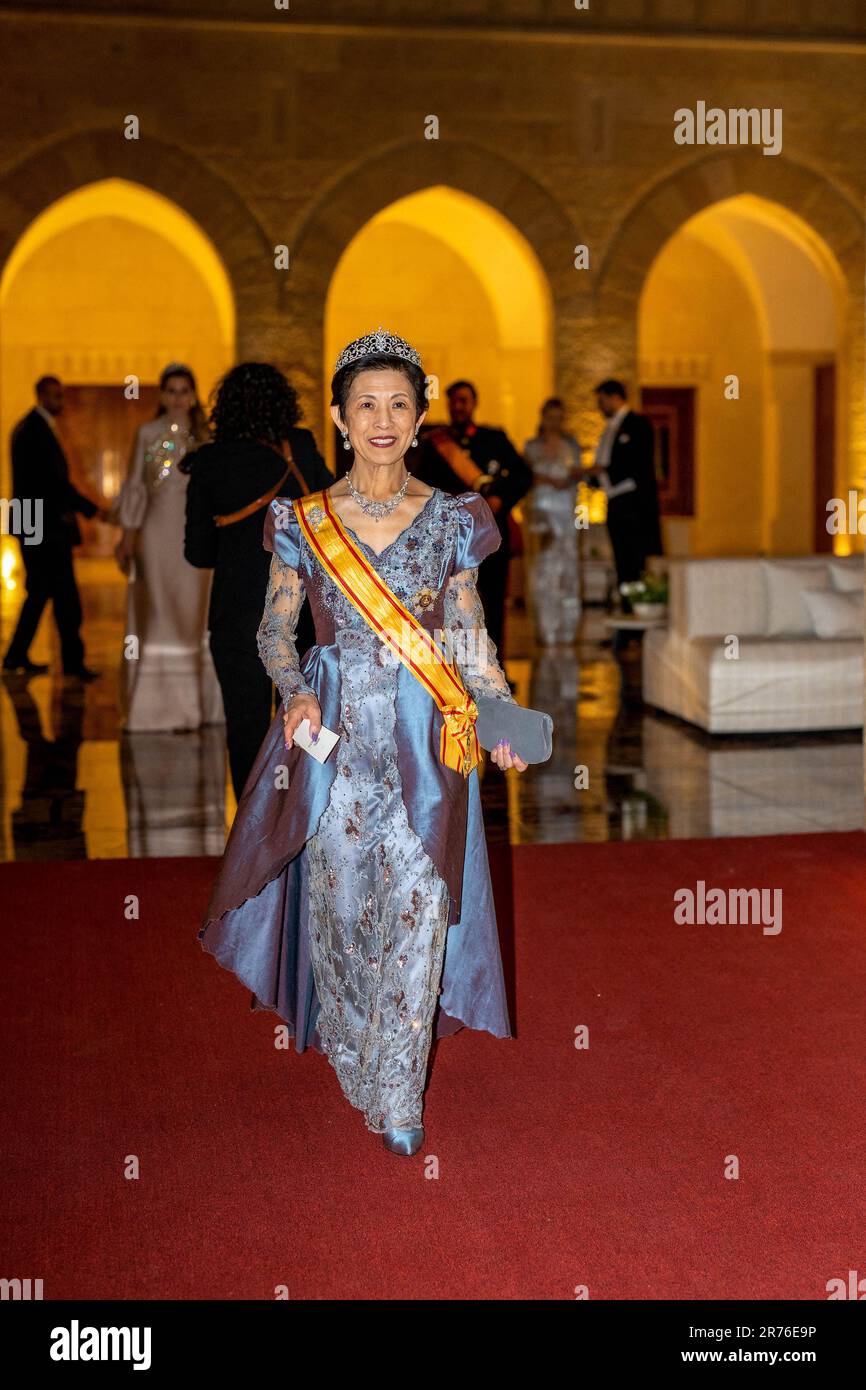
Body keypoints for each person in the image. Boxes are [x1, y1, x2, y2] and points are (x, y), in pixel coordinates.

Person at [198, 328, 528, 1157]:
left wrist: (502, 715)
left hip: (427, 742)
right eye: (366, 405)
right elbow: (272, 633)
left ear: (420, 420)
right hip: (335, 748)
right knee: (344, 917)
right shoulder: (304, 522)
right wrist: (297, 691)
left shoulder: (454, 519)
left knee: (419, 909)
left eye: (399, 405)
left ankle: (399, 1089)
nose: (383, 419)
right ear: (341, 421)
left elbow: (467, 634)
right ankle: (355, 1048)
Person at [184, 362, 332, 800]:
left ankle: (254, 835)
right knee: (306, 719)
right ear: (282, 402)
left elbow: (197, 552)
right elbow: (328, 516)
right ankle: (305, 822)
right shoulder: (300, 446)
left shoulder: (209, 461)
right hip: (301, 613)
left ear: (225, 407)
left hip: (238, 615)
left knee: (246, 727)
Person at [110, 363, 223, 732]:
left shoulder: (207, 437)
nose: (177, 398)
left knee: (194, 615)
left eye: (183, 391)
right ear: (162, 395)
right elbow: (136, 487)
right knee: (159, 612)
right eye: (170, 391)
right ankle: (158, 711)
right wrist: (126, 537)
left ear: (193, 395)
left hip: (197, 534)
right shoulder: (146, 433)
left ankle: (201, 707)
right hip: (156, 534)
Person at [413, 379, 531, 656]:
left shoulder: (495, 439)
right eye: (454, 401)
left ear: (474, 404)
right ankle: (458, 668)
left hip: (489, 534)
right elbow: (422, 486)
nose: (458, 406)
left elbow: (522, 476)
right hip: (451, 537)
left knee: (492, 599)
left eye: (464, 400)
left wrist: (502, 498)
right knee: (454, 603)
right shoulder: (435, 445)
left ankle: (495, 666)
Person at [3, 375, 108, 680]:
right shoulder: (33, 430)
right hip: (43, 526)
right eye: (55, 396)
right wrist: (91, 510)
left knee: (40, 593)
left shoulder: (33, 428)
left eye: (61, 395)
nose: (60, 401)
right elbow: (55, 485)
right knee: (62, 596)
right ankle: (70, 663)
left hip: (34, 521)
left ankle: (16, 656)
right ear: (40, 395)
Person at [584, 379, 663, 588]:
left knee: (636, 555)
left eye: (602, 401)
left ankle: (637, 601)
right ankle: (626, 602)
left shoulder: (638, 424)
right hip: (615, 501)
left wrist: (603, 470)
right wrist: (591, 476)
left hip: (634, 502)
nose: (600, 407)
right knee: (621, 554)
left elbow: (638, 462)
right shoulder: (608, 429)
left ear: (614, 397)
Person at [523, 397, 582, 645]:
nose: (554, 422)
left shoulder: (572, 445)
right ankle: (544, 627)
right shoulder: (532, 446)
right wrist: (547, 481)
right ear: (543, 417)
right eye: (550, 417)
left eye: (559, 418)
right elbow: (524, 476)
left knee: (567, 566)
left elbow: (578, 474)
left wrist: (570, 479)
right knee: (543, 568)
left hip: (566, 510)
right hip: (541, 511)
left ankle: (567, 628)